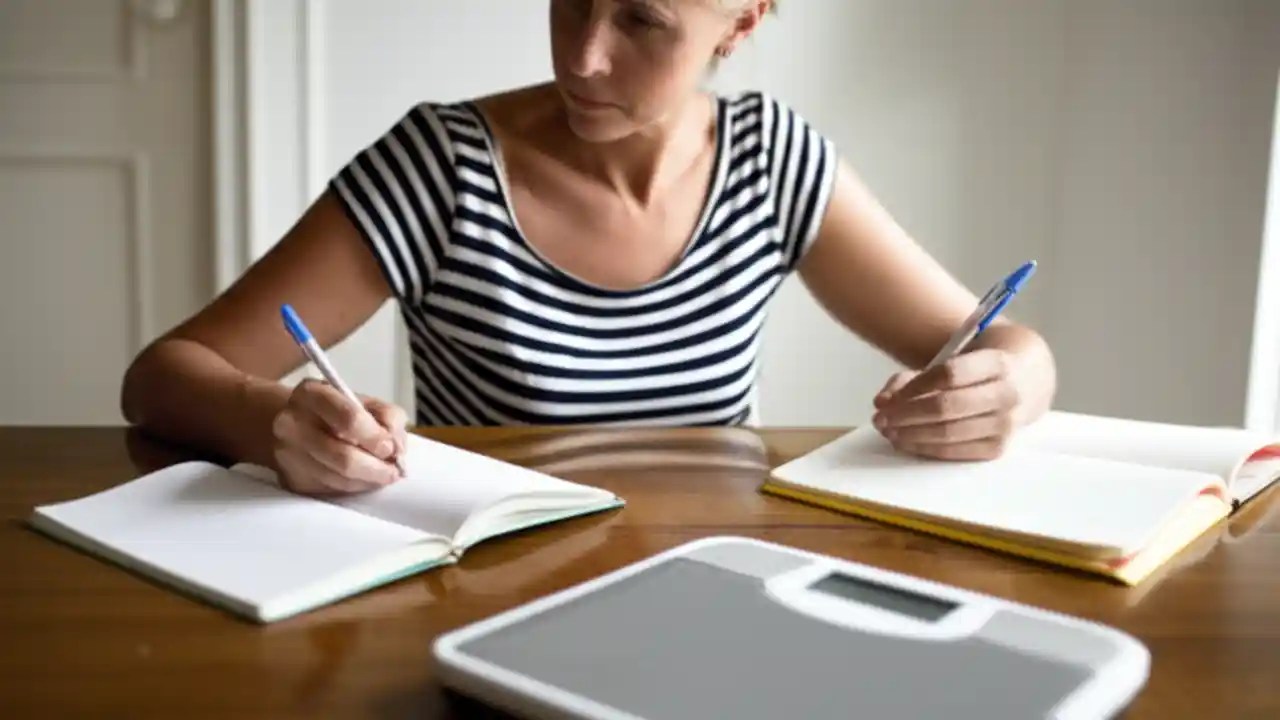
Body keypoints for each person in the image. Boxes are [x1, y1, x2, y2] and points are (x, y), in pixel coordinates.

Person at [120, 0, 1056, 496]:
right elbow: (163, 376)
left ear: (743, 21)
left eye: (641, 18)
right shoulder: (443, 167)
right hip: (486, 599)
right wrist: (276, 426)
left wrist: (1015, 384)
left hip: (710, 595)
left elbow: (999, 341)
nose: (582, 56)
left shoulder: (773, 163)